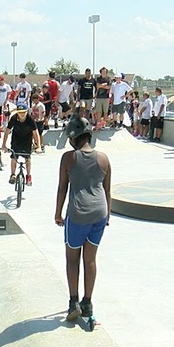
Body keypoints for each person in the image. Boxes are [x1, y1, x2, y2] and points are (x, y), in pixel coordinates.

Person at [54, 116, 111, 322]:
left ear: (73, 137)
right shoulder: (103, 158)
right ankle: (88, 302)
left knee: (72, 259)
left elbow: (63, 187)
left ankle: (73, 302)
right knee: (90, 259)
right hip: (99, 213)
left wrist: (58, 212)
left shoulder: (69, 158)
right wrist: (107, 215)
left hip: (78, 213)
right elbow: (107, 190)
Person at [1, 101, 42, 186]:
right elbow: (7, 131)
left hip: (27, 140)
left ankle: (28, 175)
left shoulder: (30, 119)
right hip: (16, 139)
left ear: (26, 111)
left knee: (28, 157)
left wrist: (38, 146)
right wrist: (3, 145)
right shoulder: (14, 118)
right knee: (13, 157)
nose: (22, 114)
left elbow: (36, 133)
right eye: (20, 113)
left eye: (23, 112)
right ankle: (12, 174)